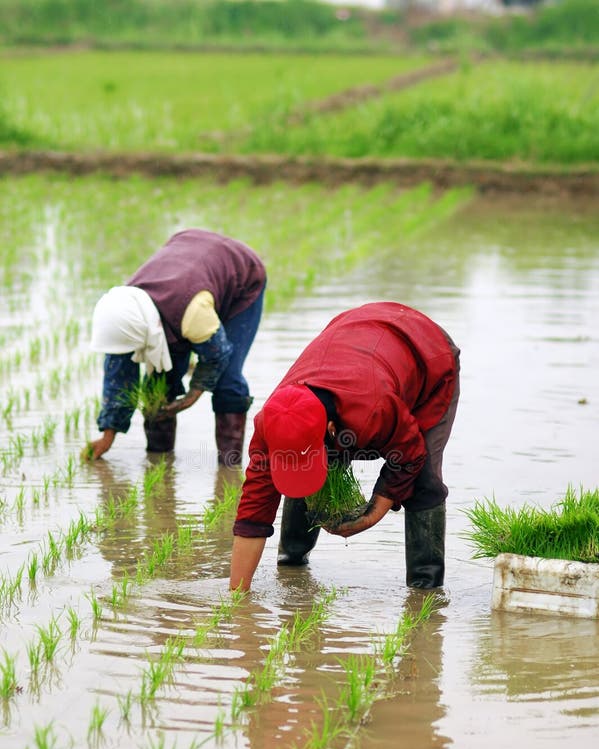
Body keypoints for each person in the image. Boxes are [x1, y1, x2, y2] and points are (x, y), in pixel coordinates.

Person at [229, 301, 460, 591]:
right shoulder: (271, 423)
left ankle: (424, 590)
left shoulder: (373, 411)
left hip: (427, 355)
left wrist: (371, 515)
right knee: (306, 470)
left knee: (423, 478)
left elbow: (409, 455)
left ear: (331, 428)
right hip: (354, 340)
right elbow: (254, 511)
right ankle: (292, 567)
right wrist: (238, 600)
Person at [87, 229, 266, 465]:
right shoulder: (123, 316)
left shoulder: (192, 313)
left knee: (227, 380)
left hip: (240, 278)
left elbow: (218, 355)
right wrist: (108, 436)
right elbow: (119, 377)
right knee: (160, 381)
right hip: (187, 268)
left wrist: (193, 394)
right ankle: (159, 463)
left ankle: (229, 469)